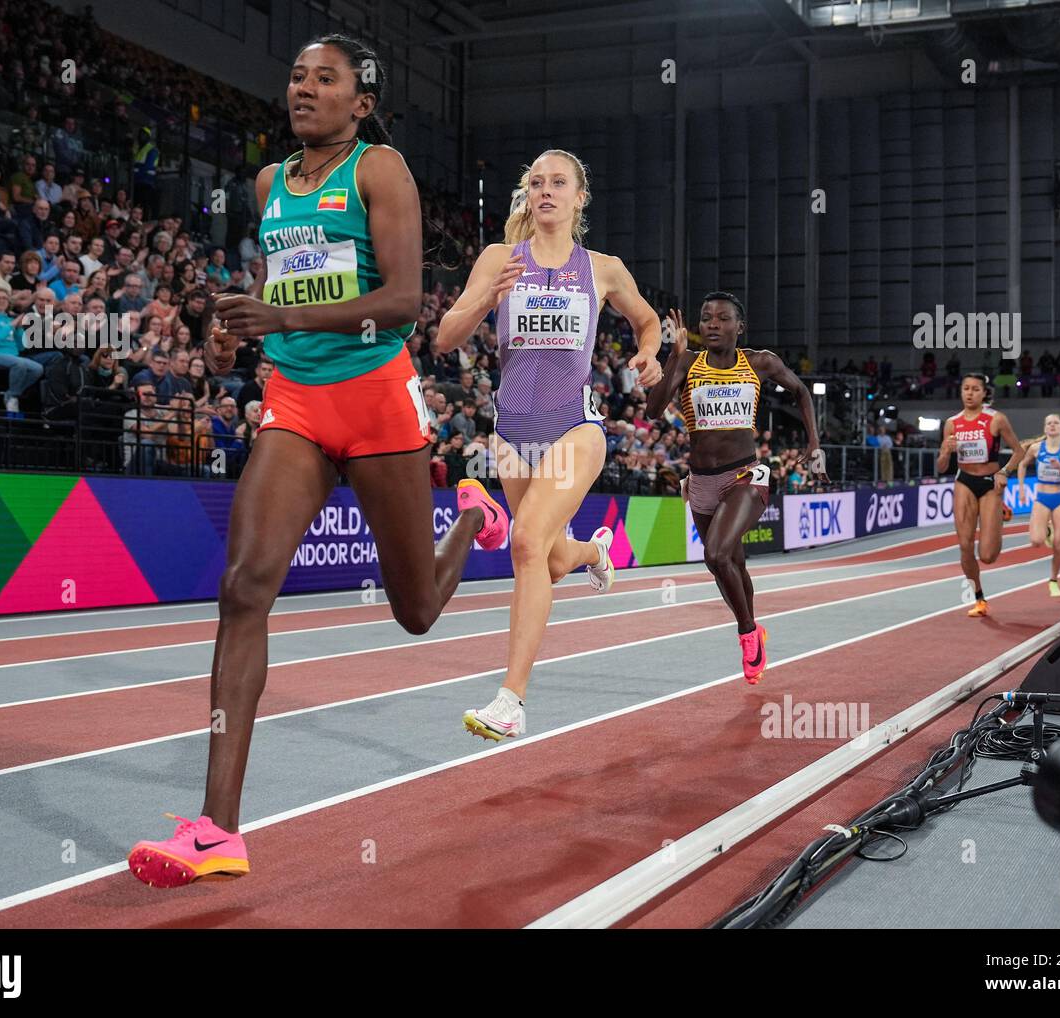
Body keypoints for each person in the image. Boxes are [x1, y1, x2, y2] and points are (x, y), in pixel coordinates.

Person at [127, 34, 510, 888]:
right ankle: (219, 830)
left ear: (360, 103)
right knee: (244, 586)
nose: (304, 88)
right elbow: (285, 295)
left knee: (414, 612)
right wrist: (237, 333)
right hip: (296, 403)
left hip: (377, 400)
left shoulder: (380, 171)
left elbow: (404, 303)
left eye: (325, 79)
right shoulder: (268, 185)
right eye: (297, 76)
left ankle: (476, 521)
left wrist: (284, 318)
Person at [436, 149, 662, 740]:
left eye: (559, 183)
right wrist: (487, 298)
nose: (546, 191)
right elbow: (444, 335)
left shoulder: (603, 268)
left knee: (526, 541)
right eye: (536, 183)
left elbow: (647, 320)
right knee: (553, 558)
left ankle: (511, 701)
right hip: (511, 431)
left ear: (579, 197)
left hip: (573, 426)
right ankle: (593, 552)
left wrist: (648, 351)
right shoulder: (497, 259)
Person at [648, 299, 823, 681]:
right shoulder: (688, 362)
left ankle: (747, 633)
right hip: (701, 482)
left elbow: (801, 393)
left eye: (723, 319)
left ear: (739, 327)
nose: (713, 324)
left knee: (716, 552)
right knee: (728, 564)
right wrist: (673, 358)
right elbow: (652, 409)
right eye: (706, 318)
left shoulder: (760, 362)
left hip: (745, 477)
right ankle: (755, 626)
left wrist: (814, 443)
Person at [936, 374, 1026, 617]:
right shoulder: (952, 423)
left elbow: (1018, 451)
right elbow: (942, 467)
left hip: (989, 484)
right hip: (964, 481)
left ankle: (997, 518)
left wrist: (1004, 471)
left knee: (988, 556)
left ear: (984, 393)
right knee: (965, 545)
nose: (969, 393)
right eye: (965, 388)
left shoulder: (996, 419)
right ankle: (979, 599)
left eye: (975, 389)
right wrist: (946, 451)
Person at [1017, 413, 1060, 597]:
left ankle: (1053, 580)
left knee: (1059, 546)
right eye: (1049, 423)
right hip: (1042, 498)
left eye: (1056, 423)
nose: (1052, 426)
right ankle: (1047, 531)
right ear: (1045, 429)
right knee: (1036, 541)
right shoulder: (1036, 448)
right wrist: (1021, 489)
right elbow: (1021, 465)